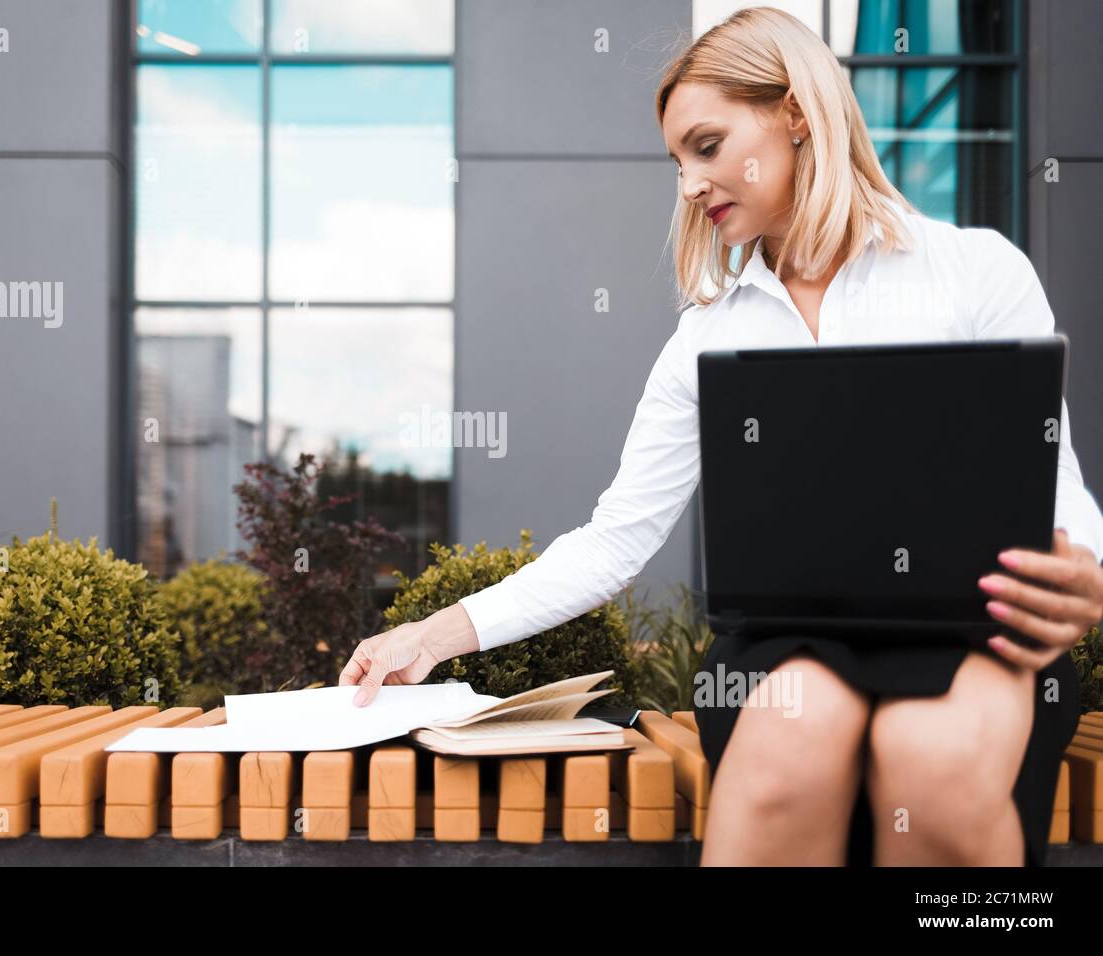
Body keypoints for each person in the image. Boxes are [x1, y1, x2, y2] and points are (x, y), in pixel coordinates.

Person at [337, 6, 1103, 866]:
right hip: (787, 648)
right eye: (677, 162)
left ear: (798, 119)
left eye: (706, 146)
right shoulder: (705, 338)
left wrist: (1083, 569)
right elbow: (614, 543)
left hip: (976, 631)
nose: (690, 184)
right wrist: (426, 637)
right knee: (791, 745)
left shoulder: (977, 271)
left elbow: (1057, 484)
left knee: (931, 765)